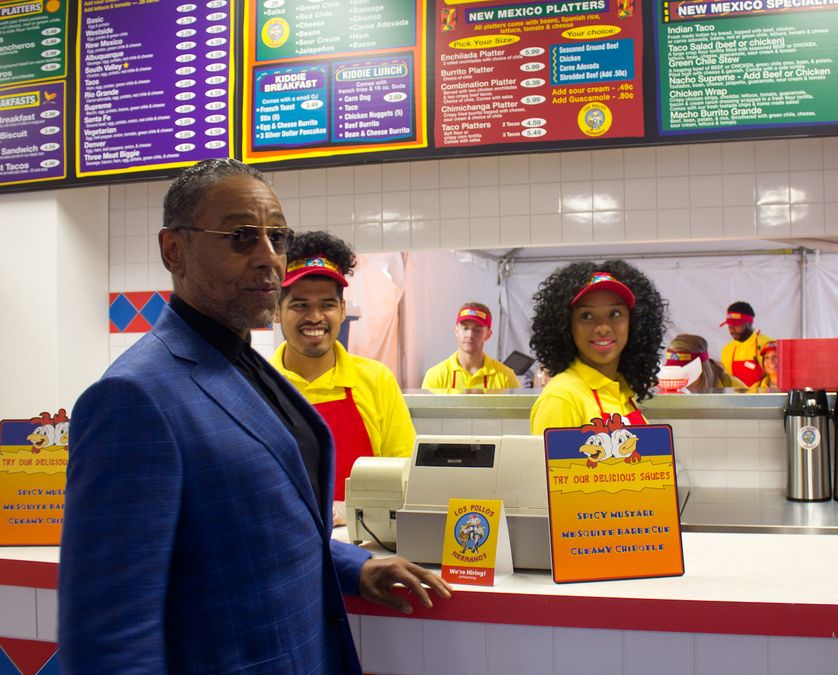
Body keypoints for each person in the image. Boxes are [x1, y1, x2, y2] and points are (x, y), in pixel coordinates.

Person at [60, 159, 450, 674]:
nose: (270, 258)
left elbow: (252, 535)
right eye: (242, 237)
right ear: (173, 250)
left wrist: (356, 566)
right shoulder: (134, 398)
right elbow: (109, 630)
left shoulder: (243, 367)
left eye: (278, 237)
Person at [271, 230, 416, 506]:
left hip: (365, 541)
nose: (315, 317)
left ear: (342, 309)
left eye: (327, 305)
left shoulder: (376, 380)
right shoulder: (258, 385)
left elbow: (406, 475)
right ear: (276, 312)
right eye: (300, 305)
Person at [529, 261, 668, 433]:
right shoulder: (562, 397)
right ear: (566, 325)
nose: (603, 328)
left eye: (615, 314)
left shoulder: (621, 390)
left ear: (634, 323)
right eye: (587, 316)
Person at [422, 302, 521, 391]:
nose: (469, 334)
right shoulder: (435, 376)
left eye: (477, 330)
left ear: (488, 334)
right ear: (456, 330)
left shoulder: (506, 377)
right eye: (465, 328)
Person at [720, 300, 774, 390]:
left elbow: (774, 378)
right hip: (735, 400)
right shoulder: (727, 349)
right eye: (729, 324)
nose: (731, 328)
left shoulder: (767, 344)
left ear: (749, 323)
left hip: (762, 399)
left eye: (736, 324)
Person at [663, 334, 738, 392]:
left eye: (686, 371)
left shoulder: (732, 386)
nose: (679, 376)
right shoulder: (665, 388)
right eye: (673, 370)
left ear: (702, 368)